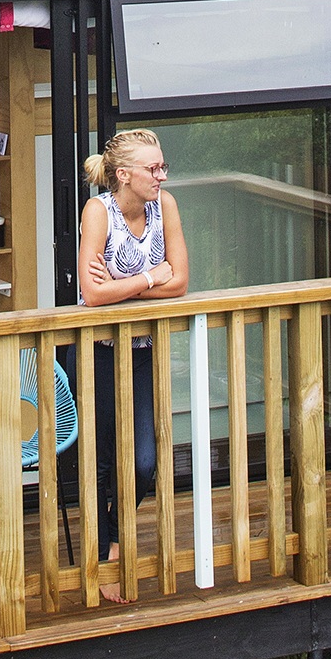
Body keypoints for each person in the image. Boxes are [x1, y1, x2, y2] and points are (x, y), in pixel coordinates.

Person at [72, 128, 189, 601]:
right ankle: (101, 558)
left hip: (143, 352)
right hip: (98, 350)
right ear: (124, 174)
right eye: (153, 168)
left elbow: (180, 282)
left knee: (142, 459)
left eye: (162, 166)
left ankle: (119, 537)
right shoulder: (98, 212)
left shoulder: (167, 208)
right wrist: (147, 277)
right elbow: (92, 295)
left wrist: (128, 286)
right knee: (100, 459)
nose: (162, 174)